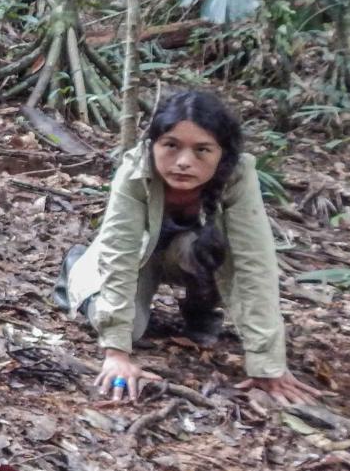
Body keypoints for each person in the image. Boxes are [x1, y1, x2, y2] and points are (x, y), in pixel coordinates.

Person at [55, 89, 323, 407]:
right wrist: (116, 352)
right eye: (171, 146)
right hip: (141, 257)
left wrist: (268, 364)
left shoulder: (237, 175)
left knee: (204, 246)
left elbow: (254, 263)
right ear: (152, 145)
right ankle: (78, 267)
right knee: (132, 330)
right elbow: (120, 252)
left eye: (202, 150)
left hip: (197, 257)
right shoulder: (135, 170)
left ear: (222, 153)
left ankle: (201, 312)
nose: (184, 162)